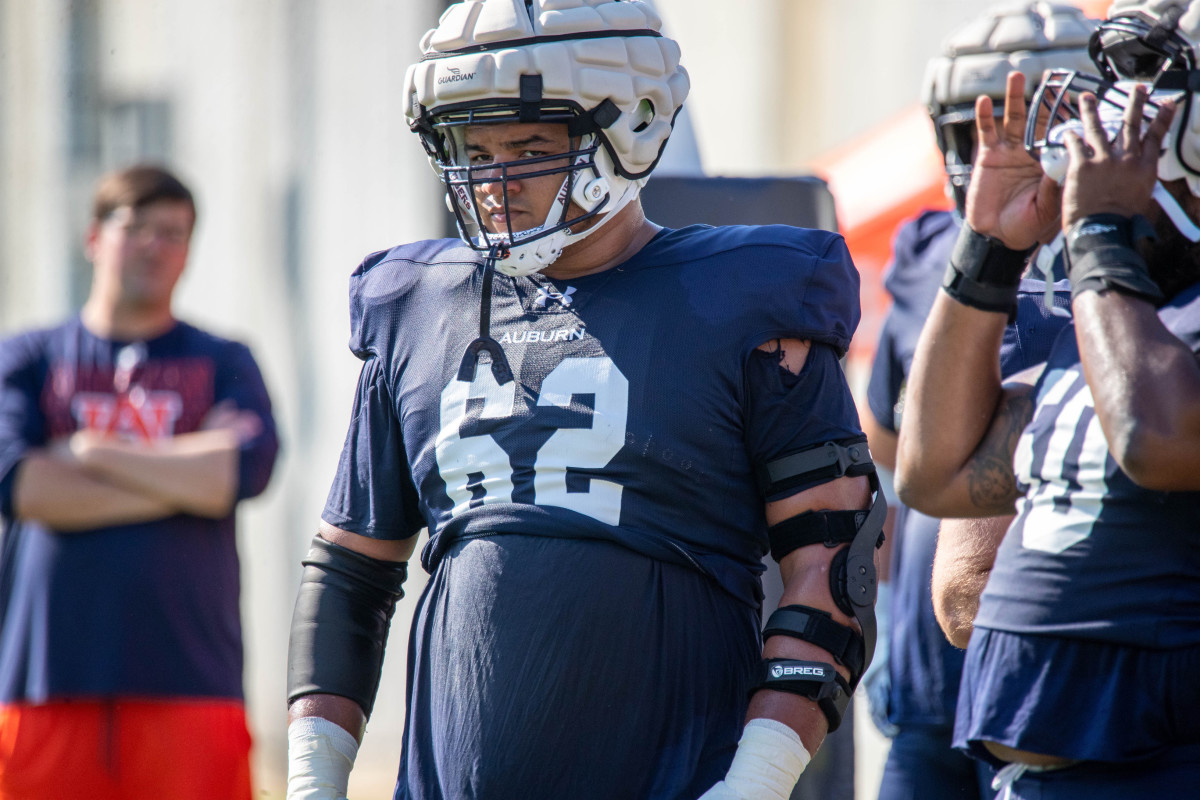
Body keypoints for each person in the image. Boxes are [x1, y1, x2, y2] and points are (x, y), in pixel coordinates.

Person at [284, 1, 886, 799]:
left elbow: (834, 569)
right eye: (475, 147)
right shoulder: (416, 304)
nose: (494, 180)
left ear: (632, 124)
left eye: (530, 147)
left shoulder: (744, 301)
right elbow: (349, 575)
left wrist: (756, 783)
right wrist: (312, 782)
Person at [895, 0, 1200, 796]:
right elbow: (932, 472)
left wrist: (1099, 237)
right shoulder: (1125, 303)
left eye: (1149, 88)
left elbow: (1155, 438)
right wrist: (989, 251)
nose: (1113, 113)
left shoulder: (1120, 298)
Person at [859, 5, 1089, 800]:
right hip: (932, 680)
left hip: (1069, 683)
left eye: (1035, 133)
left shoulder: (1139, 264)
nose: (1000, 157)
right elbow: (890, 454)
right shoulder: (931, 252)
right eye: (973, 133)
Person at [0, 165, 280, 800]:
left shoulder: (222, 361)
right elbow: (23, 489)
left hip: (191, 685)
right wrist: (181, 477)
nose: (155, 245)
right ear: (94, 237)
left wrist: (91, 448)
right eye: (136, 227)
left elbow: (242, 472)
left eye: (174, 233)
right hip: (44, 683)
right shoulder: (28, 357)